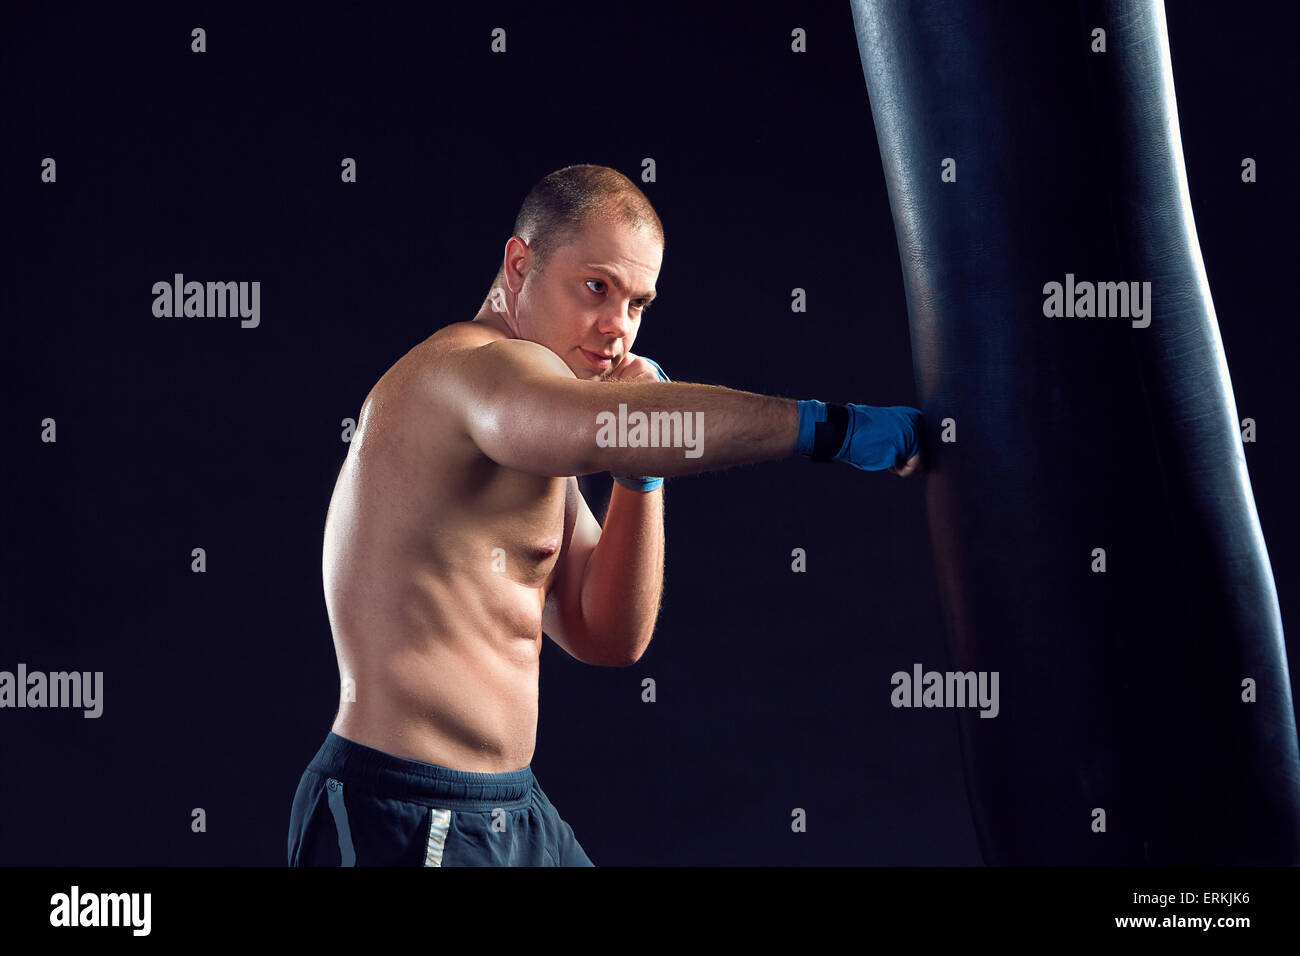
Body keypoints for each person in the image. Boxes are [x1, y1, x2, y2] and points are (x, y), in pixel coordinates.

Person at [287, 164, 924, 867]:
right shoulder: (468, 373)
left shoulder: (537, 435)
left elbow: (605, 632)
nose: (617, 328)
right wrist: (826, 428)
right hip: (406, 815)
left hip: (512, 809)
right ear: (519, 264)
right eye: (596, 287)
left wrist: (639, 480)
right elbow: (601, 429)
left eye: (638, 304)